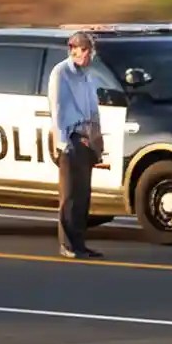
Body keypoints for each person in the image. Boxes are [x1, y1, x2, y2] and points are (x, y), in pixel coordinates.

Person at [47, 31, 105, 259]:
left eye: (91, 51)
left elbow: (93, 108)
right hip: (70, 138)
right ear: (73, 49)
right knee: (70, 195)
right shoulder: (61, 73)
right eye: (86, 51)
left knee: (83, 195)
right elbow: (57, 110)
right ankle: (68, 245)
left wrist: (97, 139)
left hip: (86, 138)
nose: (89, 56)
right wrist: (62, 144)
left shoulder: (88, 76)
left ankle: (80, 243)